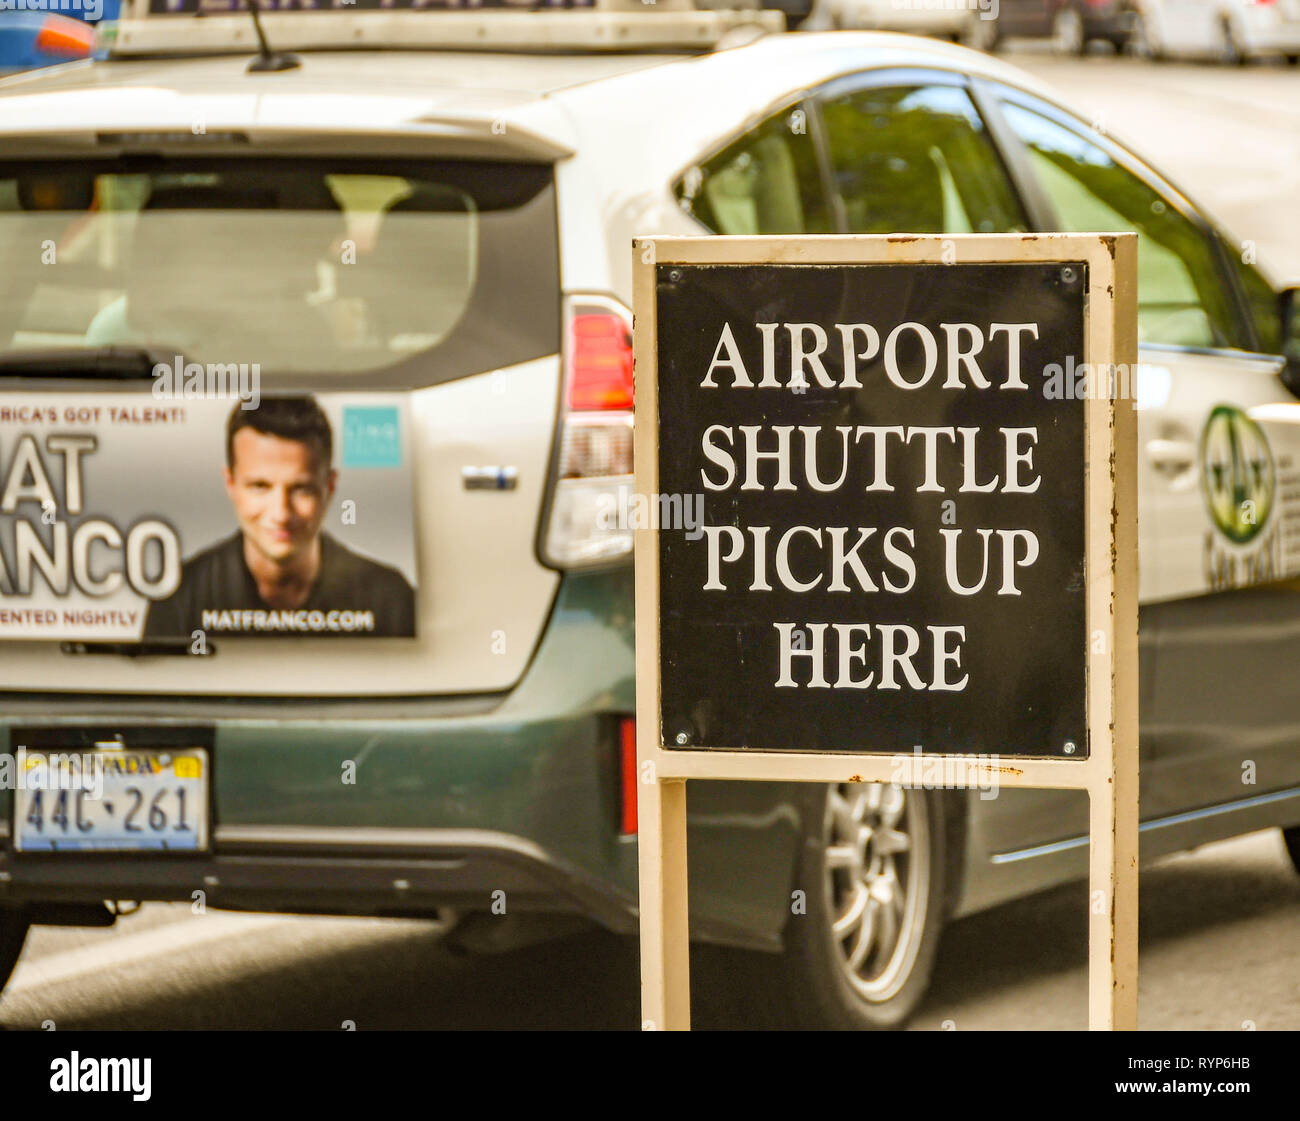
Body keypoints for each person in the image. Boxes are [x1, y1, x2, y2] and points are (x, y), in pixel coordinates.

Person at [144, 396, 415, 639]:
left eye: (301, 489)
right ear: (230, 484)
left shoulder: (390, 599)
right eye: (260, 486)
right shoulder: (178, 598)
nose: (281, 514)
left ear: (330, 488)